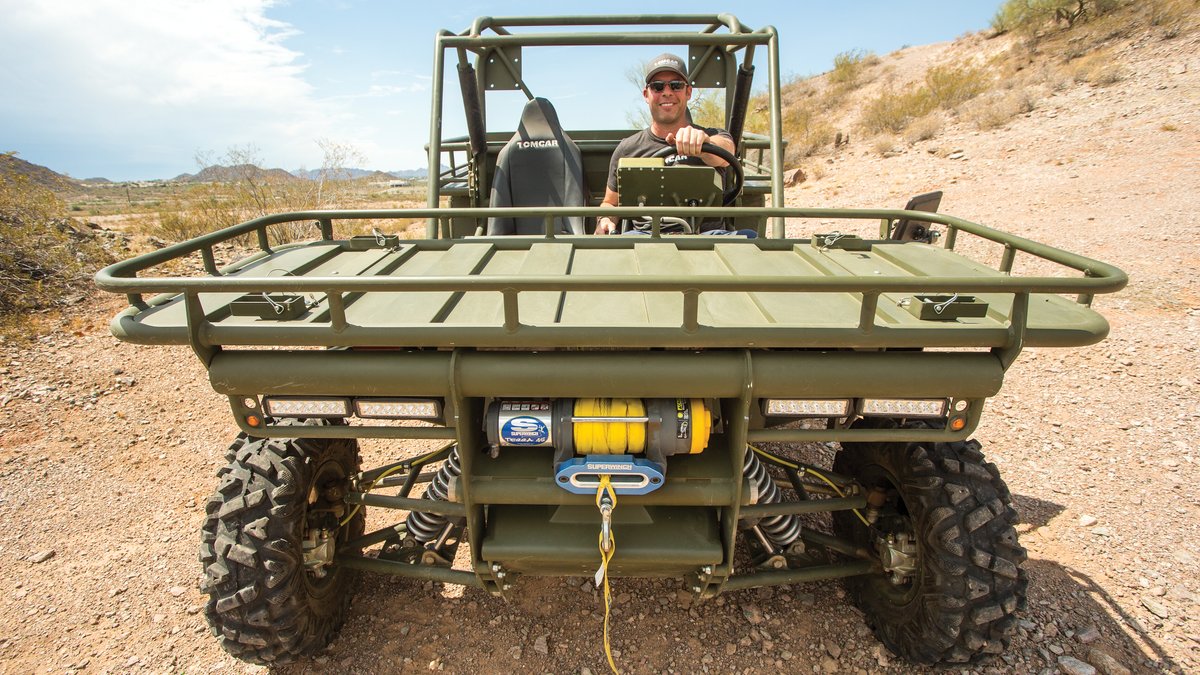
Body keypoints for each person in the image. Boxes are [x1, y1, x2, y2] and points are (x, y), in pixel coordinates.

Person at [595, 53, 738, 235]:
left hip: (708, 239)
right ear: (647, 95)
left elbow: (727, 153)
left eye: (676, 85)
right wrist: (606, 219)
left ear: (688, 92)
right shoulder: (628, 148)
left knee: (751, 244)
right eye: (658, 86)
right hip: (645, 238)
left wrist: (705, 144)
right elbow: (610, 203)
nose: (667, 92)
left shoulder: (713, 136)